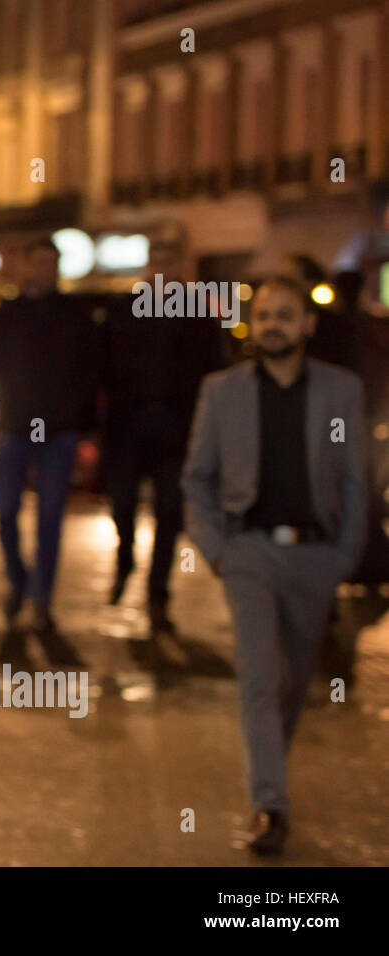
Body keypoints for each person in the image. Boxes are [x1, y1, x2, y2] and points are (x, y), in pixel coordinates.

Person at [182, 275, 367, 854]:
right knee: (260, 679)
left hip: (317, 556)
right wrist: (216, 548)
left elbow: (360, 482)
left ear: (308, 325)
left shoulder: (342, 391)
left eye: (285, 315)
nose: (273, 325)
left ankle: (269, 781)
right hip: (249, 553)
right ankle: (270, 805)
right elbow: (198, 479)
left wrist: (344, 557)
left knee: (292, 685)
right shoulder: (222, 390)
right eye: (264, 316)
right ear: (251, 324)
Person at [0, 236, 100, 665]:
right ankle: (20, 581)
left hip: (59, 430)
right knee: (6, 511)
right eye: (39, 261)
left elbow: (89, 370)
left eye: (52, 262)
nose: (46, 269)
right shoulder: (6, 314)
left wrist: (81, 421)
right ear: (27, 266)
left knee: (50, 518)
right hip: (15, 424)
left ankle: (41, 600)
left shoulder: (75, 315)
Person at [102, 238, 223, 642]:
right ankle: (125, 561)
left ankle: (158, 598)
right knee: (123, 505)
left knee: (169, 513)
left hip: (175, 429)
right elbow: (104, 368)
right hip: (128, 429)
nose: (160, 270)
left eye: (167, 263)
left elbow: (212, 374)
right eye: (155, 262)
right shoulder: (124, 310)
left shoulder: (197, 315)